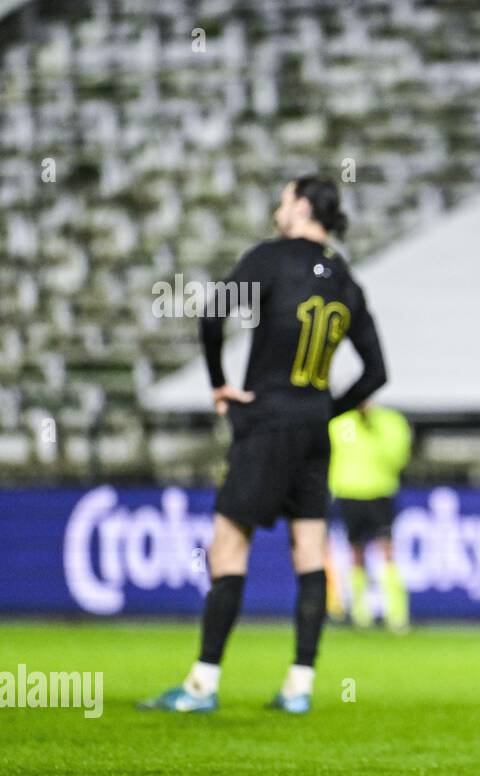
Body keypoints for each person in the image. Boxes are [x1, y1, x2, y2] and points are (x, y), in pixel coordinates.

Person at [140, 175, 387, 715]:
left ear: (300, 207)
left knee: (229, 547)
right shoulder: (344, 277)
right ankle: (299, 687)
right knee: (310, 554)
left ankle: (202, 685)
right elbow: (376, 372)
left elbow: (212, 315)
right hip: (313, 433)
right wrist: (325, 409)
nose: (277, 208)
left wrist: (218, 384)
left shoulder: (272, 259)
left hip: (267, 422)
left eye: (282, 199)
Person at [329, 402, 412, 632]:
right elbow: (334, 455)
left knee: (387, 551)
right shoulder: (341, 423)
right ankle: (359, 614)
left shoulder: (389, 421)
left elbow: (398, 456)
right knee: (355, 552)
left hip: (380, 492)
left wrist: (371, 428)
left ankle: (397, 615)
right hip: (350, 494)